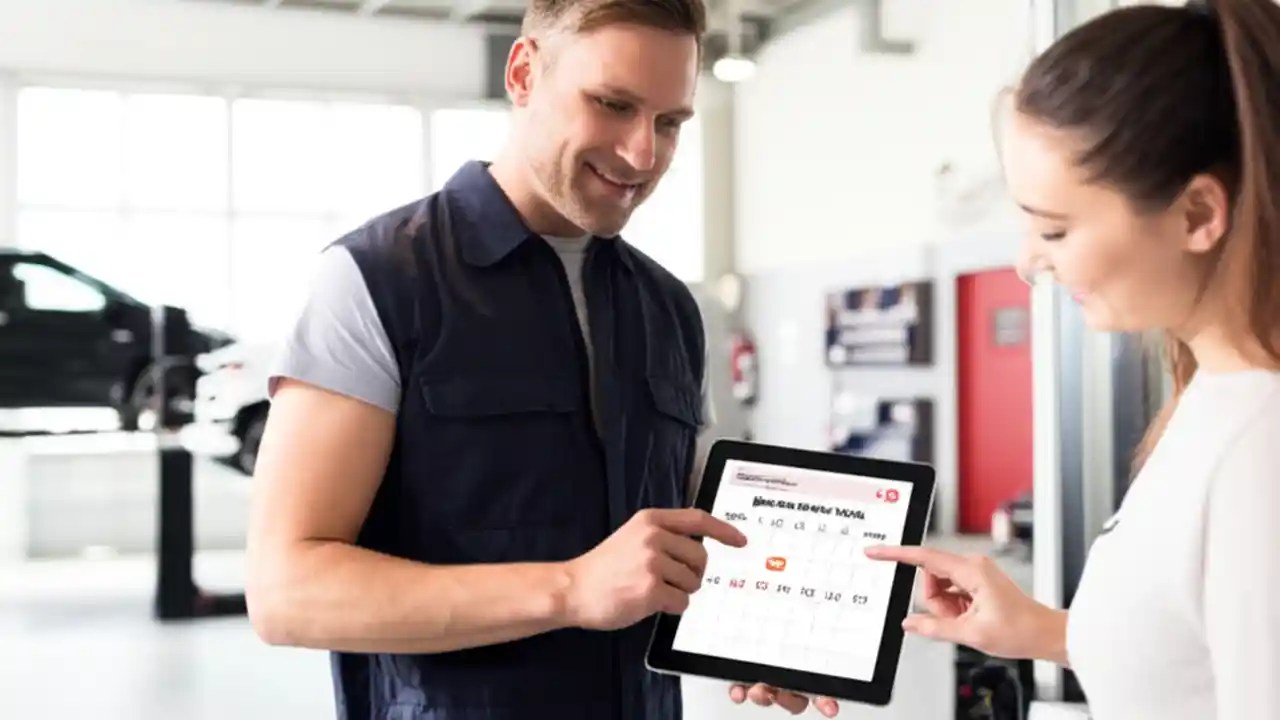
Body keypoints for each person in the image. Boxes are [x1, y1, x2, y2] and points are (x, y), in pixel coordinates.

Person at [241, 1, 786, 718]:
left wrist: (766, 634)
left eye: (670, 122)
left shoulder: (669, 309)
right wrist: (571, 589)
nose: (642, 154)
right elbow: (286, 592)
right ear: (525, 73)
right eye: (612, 104)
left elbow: (679, 545)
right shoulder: (380, 279)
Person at [847, 1, 1280, 719]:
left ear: (1198, 215)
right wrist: (1041, 631)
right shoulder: (1210, 399)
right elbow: (1192, 661)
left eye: (1055, 228)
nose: (1027, 262)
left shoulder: (1259, 450)